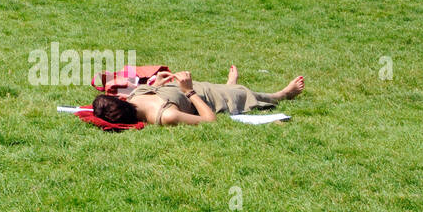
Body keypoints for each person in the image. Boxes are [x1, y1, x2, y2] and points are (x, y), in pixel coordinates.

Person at [91, 67, 304, 127]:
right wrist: (188, 90)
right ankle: (284, 94)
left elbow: (147, 88)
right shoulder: (166, 115)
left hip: (191, 87)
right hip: (206, 98)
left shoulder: (132, 100)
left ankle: (228, 85)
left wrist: (157, 81)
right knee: (241, 94)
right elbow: (209, 119)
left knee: (228, 88)